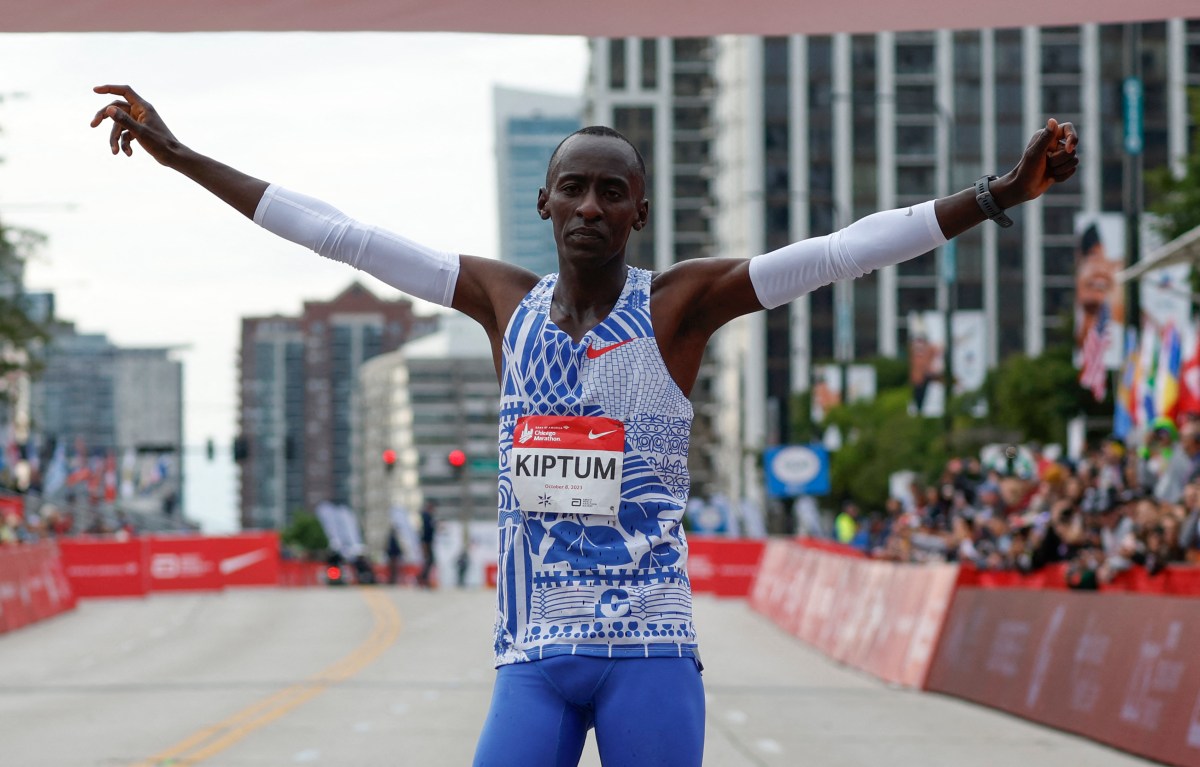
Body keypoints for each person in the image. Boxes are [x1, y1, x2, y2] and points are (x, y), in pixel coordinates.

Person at [91, 84, 1078, 767]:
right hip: (533, 656)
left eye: (614, 189)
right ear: (544, 199)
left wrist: (998, 192)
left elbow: (839, 251)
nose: (592, 205)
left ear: (639, 210)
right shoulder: (497, 300)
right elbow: (338, 231)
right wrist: (180, 156)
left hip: (649, 651)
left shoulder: (680, 306)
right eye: (576, 186)